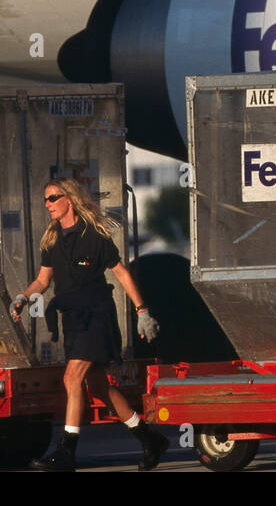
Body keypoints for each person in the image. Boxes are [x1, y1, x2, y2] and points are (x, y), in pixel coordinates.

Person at [11, 177, 167, 471]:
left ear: (68, 199)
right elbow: (43, 280)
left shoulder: (94, 236)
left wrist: (142, 310)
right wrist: (24, 296)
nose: (47, 204)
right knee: (97, 388)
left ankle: (66, 453)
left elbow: (120, 273)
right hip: (72, 319)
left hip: (96, 316)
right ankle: (150, 439)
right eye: (45, 199)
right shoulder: (52, 239)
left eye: (53, 198)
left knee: (72, 378)